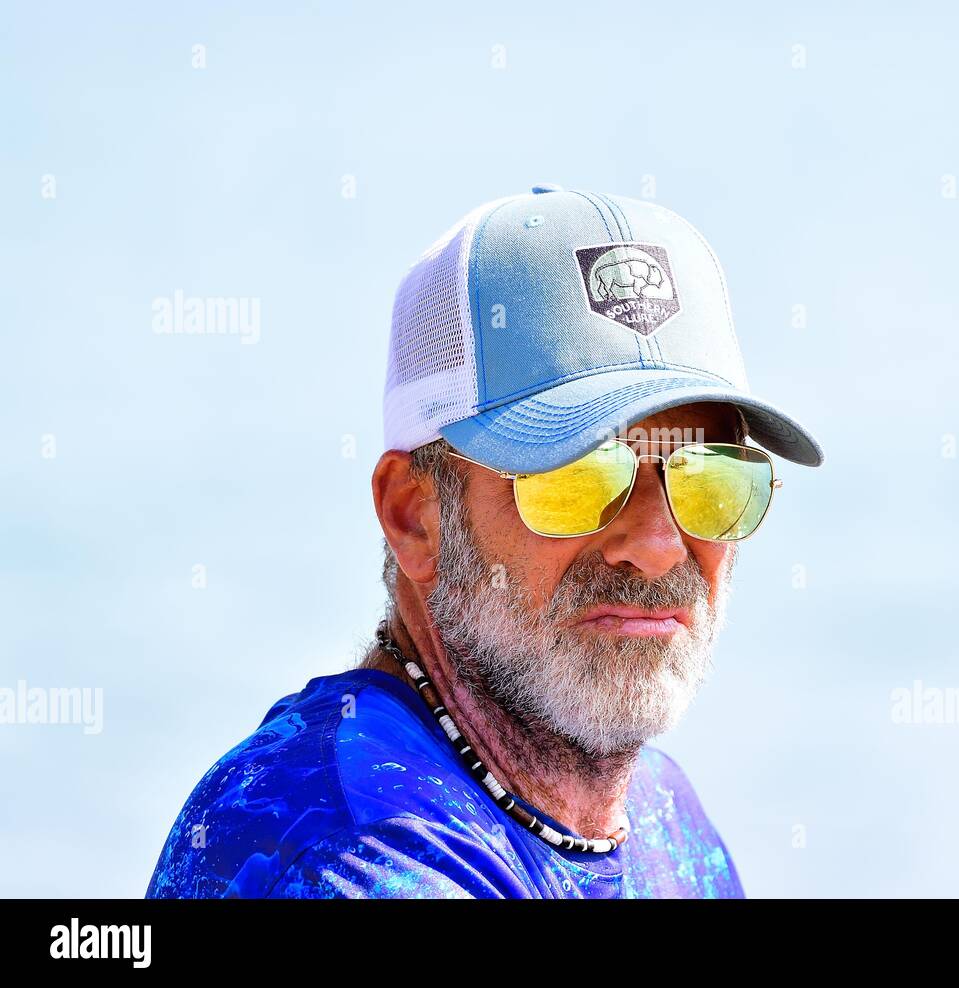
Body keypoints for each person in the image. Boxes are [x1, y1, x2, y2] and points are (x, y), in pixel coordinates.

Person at [145, 184, 824, 898]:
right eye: (580, 476)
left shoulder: (661, 815)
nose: (658, 544)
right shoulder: (348, 850)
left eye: (709, 478)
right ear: (414, 516)